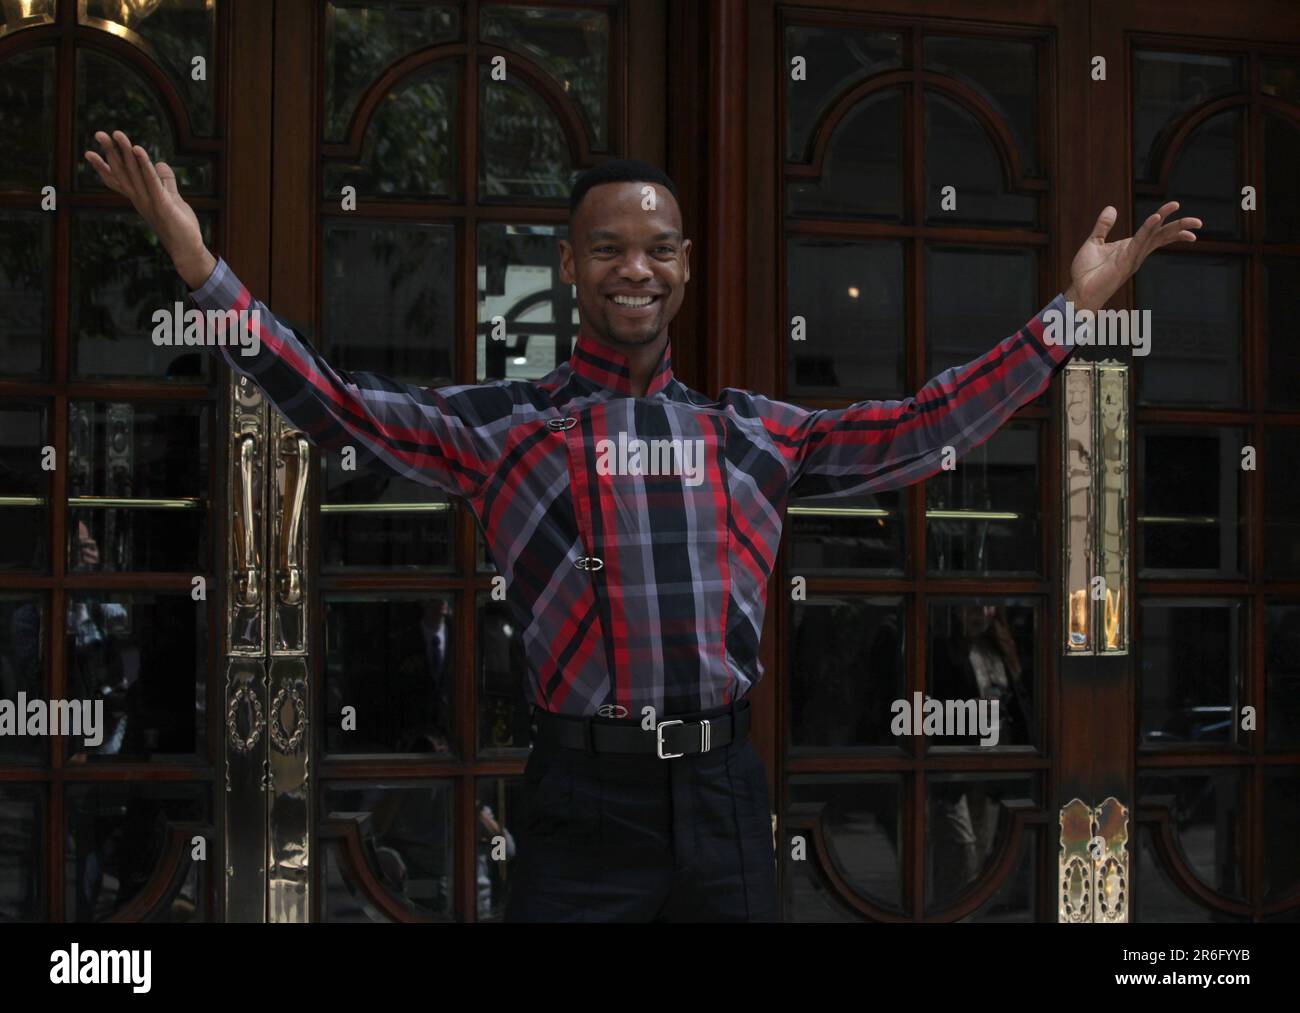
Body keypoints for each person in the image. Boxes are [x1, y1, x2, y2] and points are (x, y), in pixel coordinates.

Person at [84, 130, 1200, 922]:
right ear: (570, 266)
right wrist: (200, 264)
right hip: (581, 797)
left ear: (683, 268)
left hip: (721, 790)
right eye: (608, 247)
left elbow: (924, 426)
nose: (636, 267)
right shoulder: (505, 431)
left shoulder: (752, 436)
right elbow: (330, 401)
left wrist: (1068, 316)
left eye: (658, 247)